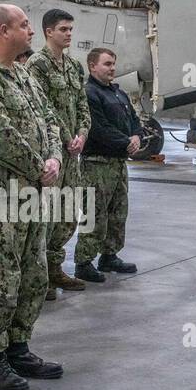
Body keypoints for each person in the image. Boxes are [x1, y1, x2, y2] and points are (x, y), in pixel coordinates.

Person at [0, 4, 64, 390]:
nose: (31, 31)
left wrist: (54, 158)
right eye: (24, 25)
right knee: (0, 279)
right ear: (3, 31)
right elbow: (1, 137)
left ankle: (18, 346)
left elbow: (49, 120)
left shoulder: (22, 74)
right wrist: (41, 167)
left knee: (34, 275)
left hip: (30, 193)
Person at [27, 10, 91, 297]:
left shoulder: (74, 66)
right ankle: (40, 276)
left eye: (70, 29)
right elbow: (43, 108)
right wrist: (67, 138)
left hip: (73, 154)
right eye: (63, 29)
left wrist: (82, 134)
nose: (68, 34)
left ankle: (55, 267)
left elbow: (82, 105)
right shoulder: (36, 65)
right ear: (48, 32)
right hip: (52, 151)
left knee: (68, 214)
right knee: (48, 214)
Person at [75, 48, 142, 283]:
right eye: (107, 64)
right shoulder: (90, 94)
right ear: (92, 66)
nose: (112, 68)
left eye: (113, 63)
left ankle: (109, 255)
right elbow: (98, 128)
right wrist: (126, 142)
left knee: (117, 213)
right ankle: (84, 262)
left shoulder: (118, 93)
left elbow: (134, 120)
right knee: (94, 214)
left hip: (118, 164)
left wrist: (137, 136)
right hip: (97, 164)